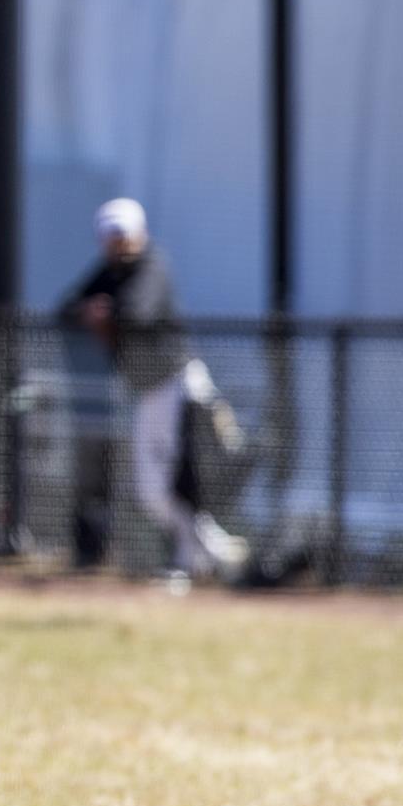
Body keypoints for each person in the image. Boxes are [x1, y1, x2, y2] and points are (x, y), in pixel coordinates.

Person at [57, 198, 249, 581]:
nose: (119, 245)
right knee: (150, 489)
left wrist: (102, 313)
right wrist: (93, 312)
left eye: (124, 236)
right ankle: (210, 552)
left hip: (179, 385)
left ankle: (192, 559)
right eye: (112, 238)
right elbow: (66, 309)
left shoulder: (152, 265)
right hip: (149, 391)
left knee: (180, 479)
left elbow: (136, 313)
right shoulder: (110, 273)